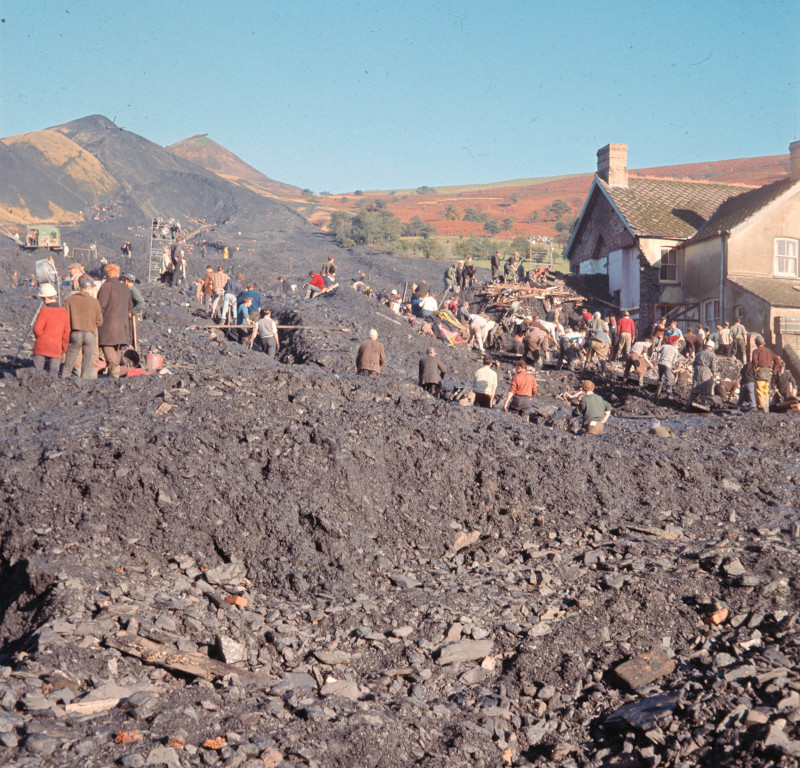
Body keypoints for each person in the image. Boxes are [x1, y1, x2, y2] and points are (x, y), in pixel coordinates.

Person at [62, 275, 103, 379]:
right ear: (89, 288)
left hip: (75, 333)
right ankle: (84, 381)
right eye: (92, 288)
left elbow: (65, 318)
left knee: (70, 358)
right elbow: (100, 321)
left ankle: (64, 377)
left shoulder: (69, 300)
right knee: (87, 360)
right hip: (90, 334)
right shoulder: (95, 302)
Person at [96, 264, 132, 378]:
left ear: (107, 274)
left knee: (107, 347)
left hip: (108, 325)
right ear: (117, 274)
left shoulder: (106, 287)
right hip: (122, 326)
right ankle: (116, 374)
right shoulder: (125, 288)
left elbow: (100, 306)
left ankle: (114, 373)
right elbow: (129, 306)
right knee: (117, 348)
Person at [32, 284, 69, 376]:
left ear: (45, 298)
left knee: (37, 372)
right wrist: (63, 349)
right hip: (56, 347)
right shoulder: (64, 312)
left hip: (42, 345)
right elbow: (66, 333)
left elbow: (37, 328)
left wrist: (41, 337)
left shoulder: (44, 311)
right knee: (54, 372)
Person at [750, 335, 781, 412]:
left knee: (759, 390)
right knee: (765, 390)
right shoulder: (769, 351)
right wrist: (774, 370)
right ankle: (766, 406)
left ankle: (761, 407)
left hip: (760, 373)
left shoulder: (756, 351)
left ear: (756, 343)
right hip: (767, 373)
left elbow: (754, 361)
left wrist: (755, 369)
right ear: (764, 342)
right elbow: (777, 360)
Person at [686, 339, 718, 409]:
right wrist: (713, 375)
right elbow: (713, 367)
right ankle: (703, 405)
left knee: (695, 388)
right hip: (706, 370)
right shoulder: (712, 355)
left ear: (706, 346)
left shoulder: (699, 353)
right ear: (712, 347)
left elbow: (694, 364)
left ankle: (688, 405)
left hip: (697, 370)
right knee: (705, 388)